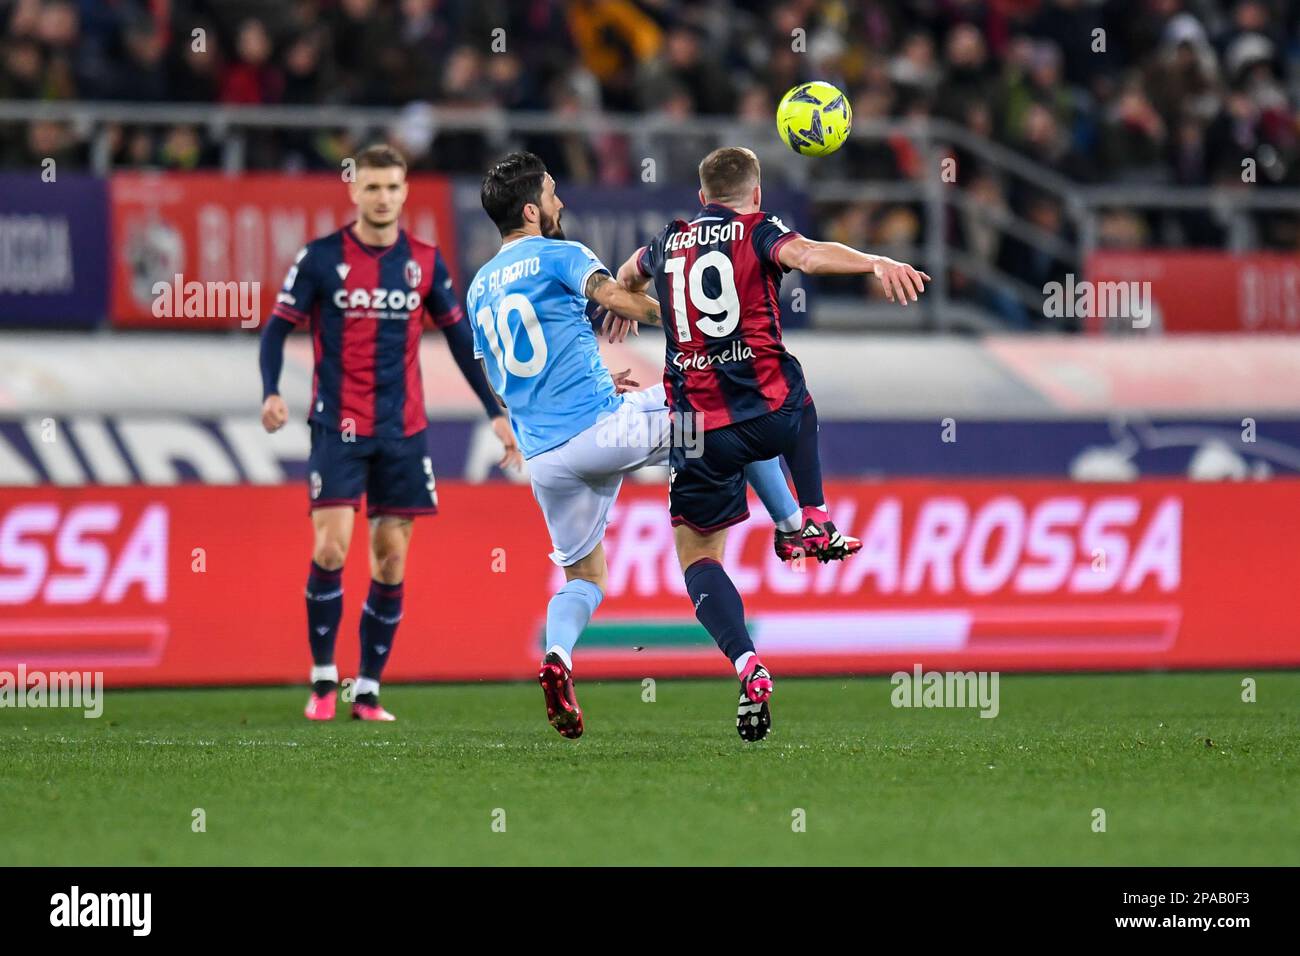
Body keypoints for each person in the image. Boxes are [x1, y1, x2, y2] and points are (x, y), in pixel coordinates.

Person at [260, 144, 519, 721]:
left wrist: (494, 411)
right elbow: (276, 331)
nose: (382, 197)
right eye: (372, 187)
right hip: (337, 425)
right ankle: (325, 677)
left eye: (392, 187)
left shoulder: (424, 261)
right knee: (329, 547)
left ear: (405, 192)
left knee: (391, 561)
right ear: (353, 191)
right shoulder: (321, 259)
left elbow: (459, 341)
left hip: (402, 432)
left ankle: (369, 688)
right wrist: (271, 391)